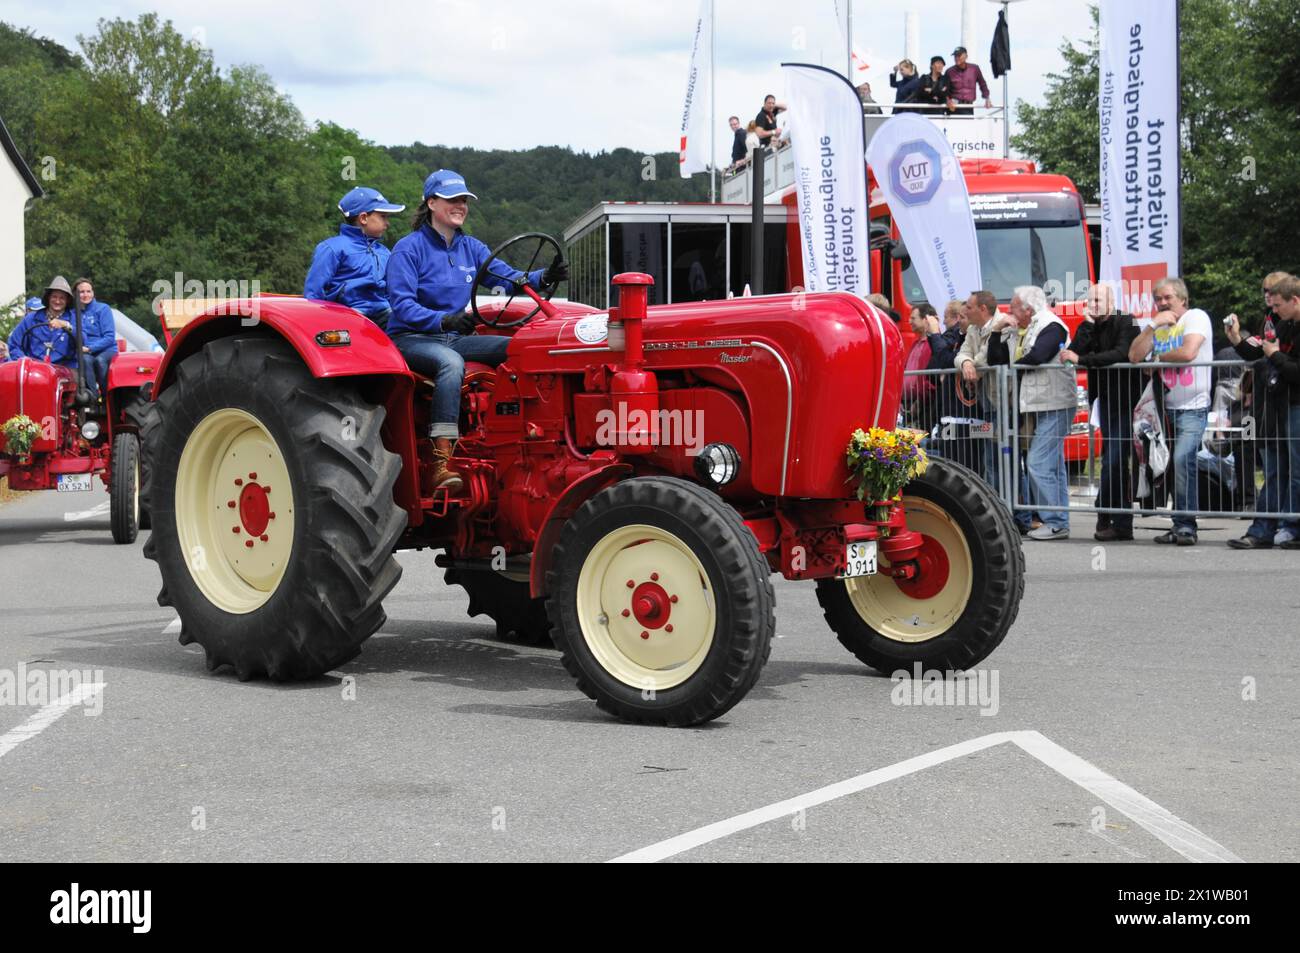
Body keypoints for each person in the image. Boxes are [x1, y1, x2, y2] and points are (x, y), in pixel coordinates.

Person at [385, 169, 565, 490]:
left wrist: (544, 276)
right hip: (411, 339)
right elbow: (402, 306)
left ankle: (519, 442)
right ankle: (441, 464)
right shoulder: (408, 249)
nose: (461, 205)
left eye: (464, 200)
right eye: (452, 199)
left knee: (520, 348)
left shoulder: (472, 248)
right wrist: (442, 320)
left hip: (454, 338)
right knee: (449, 364)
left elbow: (509, 277)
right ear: (431, 203)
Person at [1128, 277, 1215, 545]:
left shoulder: (1196, 317)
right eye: (1158, 299)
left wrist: (1157, 358)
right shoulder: (1159, 327)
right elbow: (1133, 356)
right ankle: (1179, 525)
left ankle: (1187, 526)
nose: (1163, 303)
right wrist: (1153, 325)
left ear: (1183, 299)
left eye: (1168, 298)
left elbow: (1189, 352)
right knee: (1173, 466)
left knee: (1181, 460)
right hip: (1165, 410)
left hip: (1193, 407)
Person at [988, 285, 1074, 540]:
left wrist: (1013, 367)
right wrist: (995, 332)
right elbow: (997, 361)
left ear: (1028, 308)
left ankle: (1056, 521)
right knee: (1053, 465)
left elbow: (1039, 356)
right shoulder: (1019, 329)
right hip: (1036, 403)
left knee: (1038, 462)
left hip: (1055, 401)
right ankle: (1058, 520)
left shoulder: (1051, 325)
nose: (1008, 311)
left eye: (1013, 306)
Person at [1223, 273, 1300, 549]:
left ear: (1292, 298)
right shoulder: (1276, 320)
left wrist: (1275, 356)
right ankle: (1266, 528)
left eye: (1274, 296)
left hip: (1291, 404)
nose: (1269, 300)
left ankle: (1288, 526)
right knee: (1276, 469)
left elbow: (1282, 360)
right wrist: (1235, 339)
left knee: (1293, 470)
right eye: (1266, 292)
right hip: (1274, 404)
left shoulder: (1289, 321)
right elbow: (1258, 350)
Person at [1061, 283, 1140, 541]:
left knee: (1115, 460)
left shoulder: (1125, 321)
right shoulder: (1091, 326)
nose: (1093, 304)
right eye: (1090, 300)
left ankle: (1108, 515)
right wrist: (1086, 325)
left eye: (1098, 300)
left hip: (1127, 400)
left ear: (1111, 301)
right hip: (1105, 400)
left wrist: (1083, 360)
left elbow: (1121, 353)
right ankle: (1117, 522)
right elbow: (1074, 350)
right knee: (1112, 461)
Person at [304, 186, 406, 328]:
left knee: (408, 325)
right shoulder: (332, 248)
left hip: (383, 312)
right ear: (363, 218)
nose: (387, 223)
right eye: (383, 216)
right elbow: (314, 293)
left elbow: (391, 292)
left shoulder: (384, 252)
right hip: (346, 314)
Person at [957, 289, 1000, 482]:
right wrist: (965, 364)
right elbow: (961, 354)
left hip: (1002, 402)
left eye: (969, 306)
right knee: (990, 458)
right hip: (987, 402)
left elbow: (986, 358)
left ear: (982, 309)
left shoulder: (1001, 324)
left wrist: (971, 366)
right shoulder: (974, 329)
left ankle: (1017, 512)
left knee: (1002, 459)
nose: (965, 311)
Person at [6, 277, 80, 369]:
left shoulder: (74, 318)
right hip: (33, 369)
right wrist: (25, 362)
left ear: (67, 300)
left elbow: (82, 341)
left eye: (62, 298)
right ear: (48, 298)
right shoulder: (31, 318)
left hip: (64, 369)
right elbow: (14, 344)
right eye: (54, 297)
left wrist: (66, 325)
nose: (57, 301)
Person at [72, 278, 118, 401]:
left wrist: (90, 348)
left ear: (93, 293)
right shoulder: (73, 313)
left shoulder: (103, 309)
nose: (85, 295)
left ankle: (106, 396)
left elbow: (109, 337)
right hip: (86, 351)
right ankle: (93, 397)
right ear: (75, 294)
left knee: (100, 361)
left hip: (106, 349)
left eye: (88, 291)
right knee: (85, 360)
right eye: (81, 292)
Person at [944, 46, 991, 117]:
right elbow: (945, 90)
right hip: (953, 107)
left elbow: (982, 84)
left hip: (968, 106)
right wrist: (948, 100)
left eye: (959, 55)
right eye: (955, 56)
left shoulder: (974, 69)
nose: (956, 58)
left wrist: (987, 98)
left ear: (966, 56)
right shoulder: (949, 71)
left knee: (967, 127)